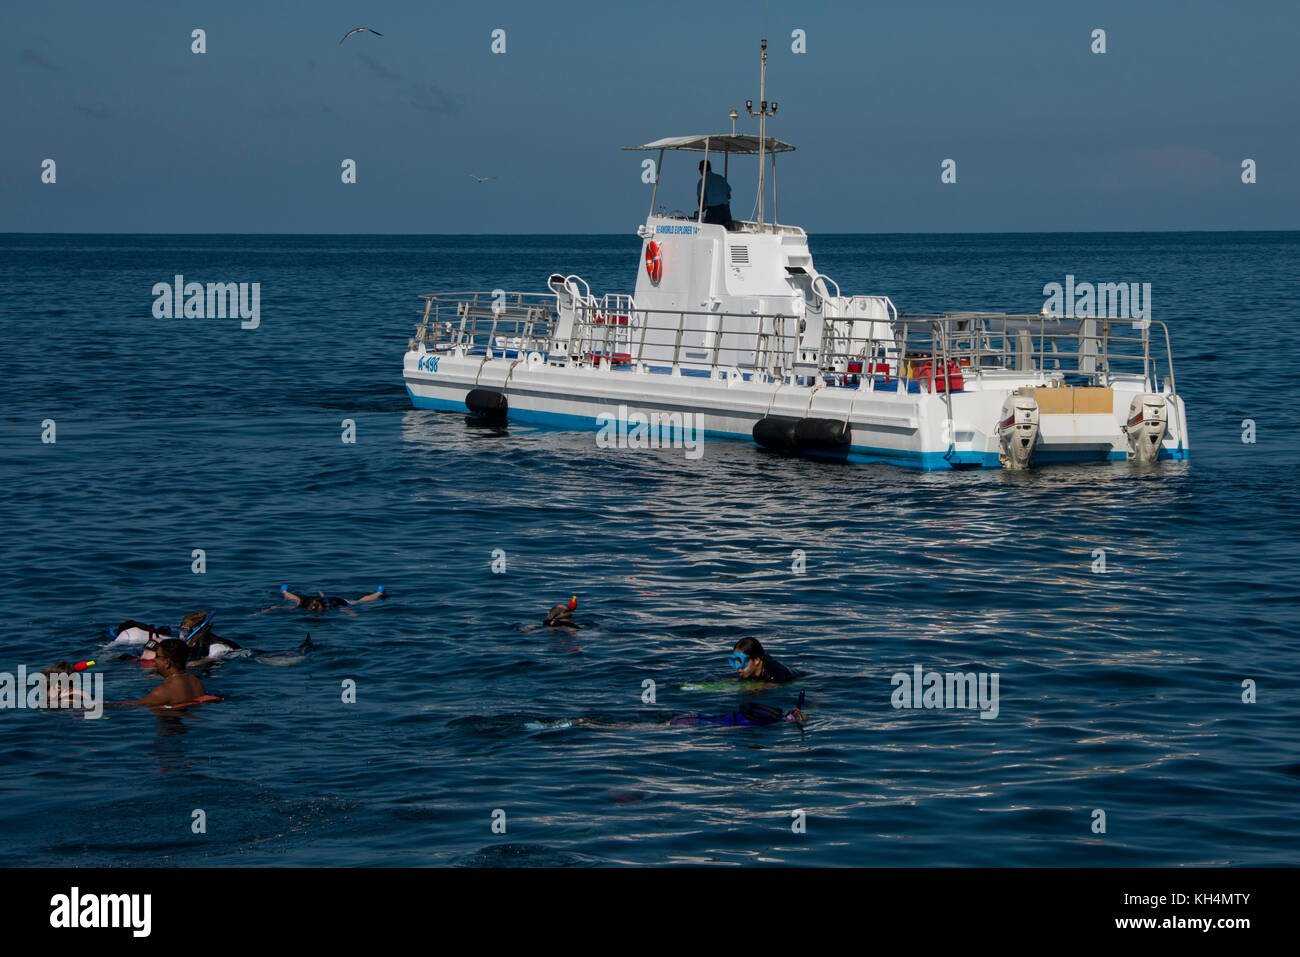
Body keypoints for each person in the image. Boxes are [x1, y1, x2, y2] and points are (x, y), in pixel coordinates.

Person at [119, 639, 215, 708]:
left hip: (169, 725)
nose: (155, 660)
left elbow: (134, 706)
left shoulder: (163, 692)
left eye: (157, 656)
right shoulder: (196, 682)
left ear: (167, 662)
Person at [139, 610, 240, 664]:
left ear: (198, 631)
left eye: (185, 632)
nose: (181, 636)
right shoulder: (187, 643)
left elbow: (211, 659)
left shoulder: (216, 647)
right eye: (181, 631)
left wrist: (186, 665)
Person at [728, 637, 800, 684]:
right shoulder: (748, 671)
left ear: (756, 660)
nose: (738, 668)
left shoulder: (773, 671)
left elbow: (773, 686)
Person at [277, 586, 385, 612]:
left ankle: (378, 593)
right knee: (296, 600)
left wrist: (350, 612)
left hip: (338, 599)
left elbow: (343, 608)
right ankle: (284, 592)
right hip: (308, 599)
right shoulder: (305, 604)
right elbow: (290, 607)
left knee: (358, 601)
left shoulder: (331, 604)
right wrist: (274, 607)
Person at [696, 160, 734, 229]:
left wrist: (702, 209)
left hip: (713, 212)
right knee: (729, 232)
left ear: (701, 170)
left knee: (709, 232)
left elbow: (700, 201)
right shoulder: (720, 178)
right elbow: (729, 196)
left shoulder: (702, 182)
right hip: (725, 210)